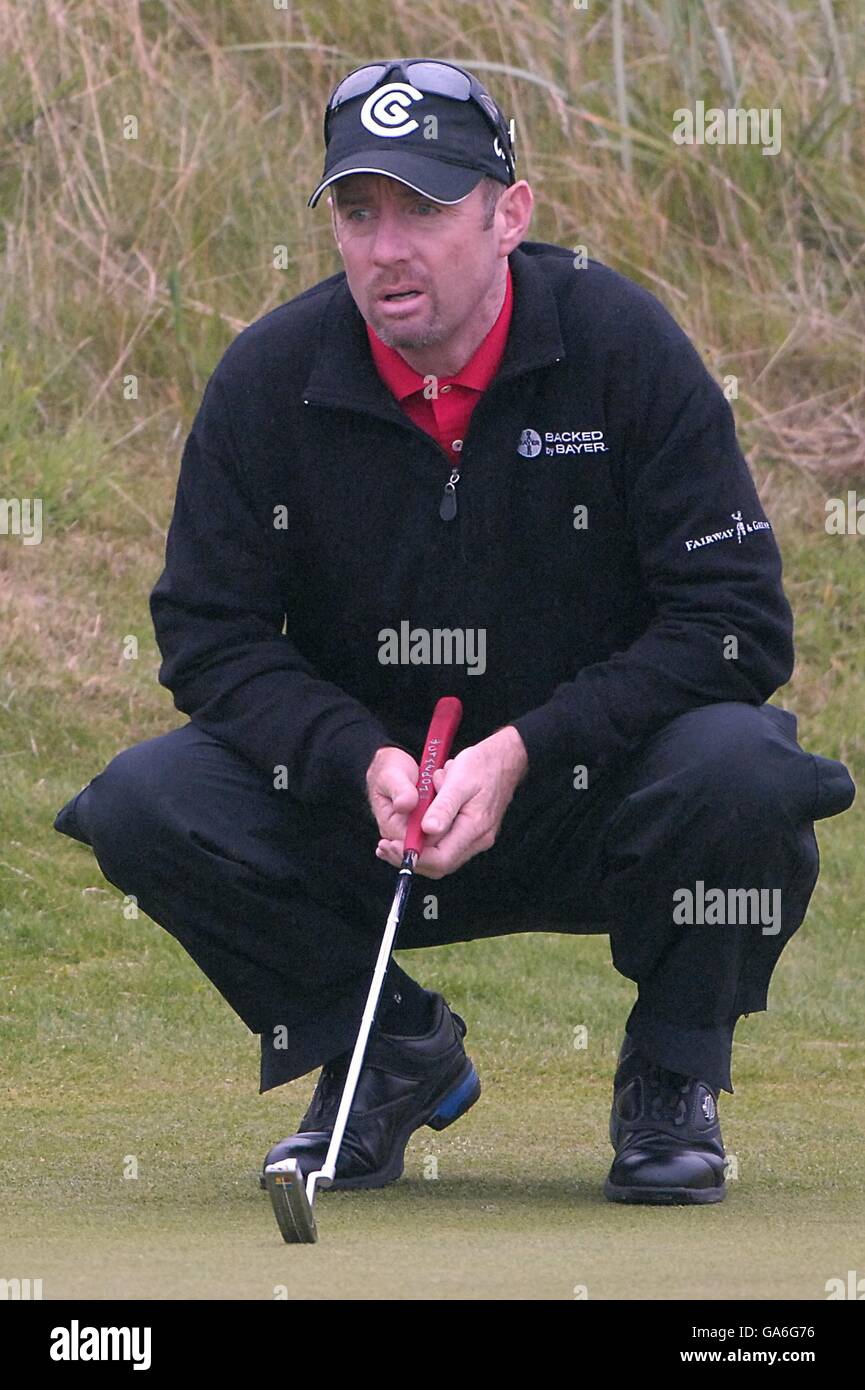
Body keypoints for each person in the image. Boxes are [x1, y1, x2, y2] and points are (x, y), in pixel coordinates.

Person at [54, 58, 855, 1207]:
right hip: (372, 817)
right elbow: (207, 637)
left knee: (747, 769)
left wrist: (529, 745)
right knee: (145, 800)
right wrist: (354, 756)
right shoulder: (268, 378)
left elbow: (735, 623)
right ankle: (383, 1047)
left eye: (426, 210)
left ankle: (672, 1073)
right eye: (357, 212)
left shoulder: (621, 344)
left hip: (596, 797)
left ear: (508, 215)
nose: (388, 249)